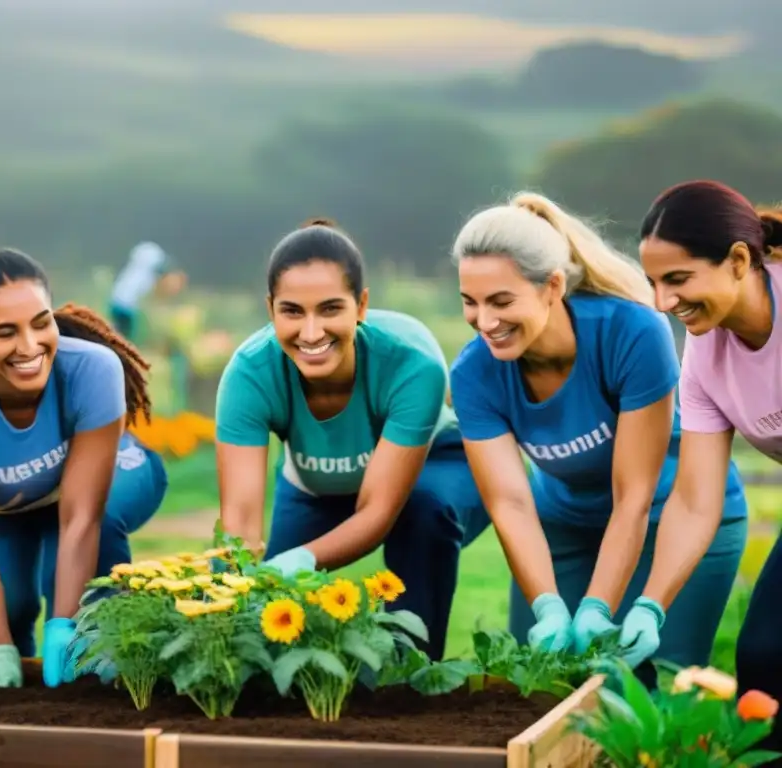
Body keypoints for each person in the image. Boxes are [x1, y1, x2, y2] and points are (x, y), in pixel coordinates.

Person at [448, 192, 747, 672]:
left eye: (501, 301)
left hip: (669, 519)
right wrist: (547, 603)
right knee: (546, 689)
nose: (485, 322)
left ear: (552, 286)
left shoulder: (631, 333)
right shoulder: (472, 374)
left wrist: (597, 607)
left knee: (651, 693)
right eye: (470, 302)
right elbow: (510, 502)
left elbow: (634, 496)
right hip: (565, 526)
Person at [215, 218, 490, 660]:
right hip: (315, 486)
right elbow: (239, 528)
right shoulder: (250, 374)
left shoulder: (412, 363)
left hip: (432, 469)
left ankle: (410, 674)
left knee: (422, 514)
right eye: (292, 311)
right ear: (270, 310)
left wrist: (301, 561)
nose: (310, 332)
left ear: (360, 306)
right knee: (255, 627)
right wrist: (236, 592)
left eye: (329, 309)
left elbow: (378, 513)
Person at [0, 241, 168, 690]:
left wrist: (63, 628)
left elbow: (81, 519)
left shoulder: (92, 369)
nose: (29, 346)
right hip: (2, 509)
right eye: (5, 332)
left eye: (40, 323)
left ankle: (99, 644)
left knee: (85, 561)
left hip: (100, 488)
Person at [629, 180, 781, 745]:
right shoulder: (704, 357)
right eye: (653, 283)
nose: (663, 302)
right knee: (765, 656)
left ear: (739, 260)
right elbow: (695, 499)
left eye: (678, 279)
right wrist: (651, 605)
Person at [109, 240, 186, 342]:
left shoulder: (134, 271)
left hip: (117, 301)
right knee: (125, 336)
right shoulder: (145, 272)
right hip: (127, 306)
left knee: (118, 331)